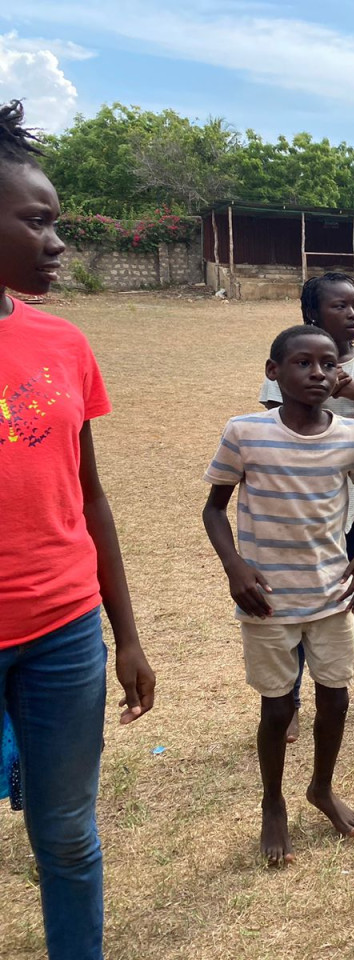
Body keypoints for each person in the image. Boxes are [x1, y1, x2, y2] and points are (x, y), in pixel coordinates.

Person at [0, 99, 155, 960]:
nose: (59, 242)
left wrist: (124, 636)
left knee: (66, 835)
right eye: (38, 220)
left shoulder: (63, 343)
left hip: (62, 632)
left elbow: (90, 496)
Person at [204, 323, 354, 864]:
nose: (317, 373)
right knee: (278, 708)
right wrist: (234, 565)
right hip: (268, 599)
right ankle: (273, 803)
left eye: (327, 364)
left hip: (331, 592)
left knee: (336, 695)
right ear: (273, 371)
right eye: (302, 363)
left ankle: (321, 787)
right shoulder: (244, 433)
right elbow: (214, 508)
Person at [259, 272, 354, 742]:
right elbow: (274, 433)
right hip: (306, 506)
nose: (352, 314)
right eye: (340, 306)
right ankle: (294, 702)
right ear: (312, 314)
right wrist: (321, 387)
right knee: (302, 602)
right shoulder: (294, 364)